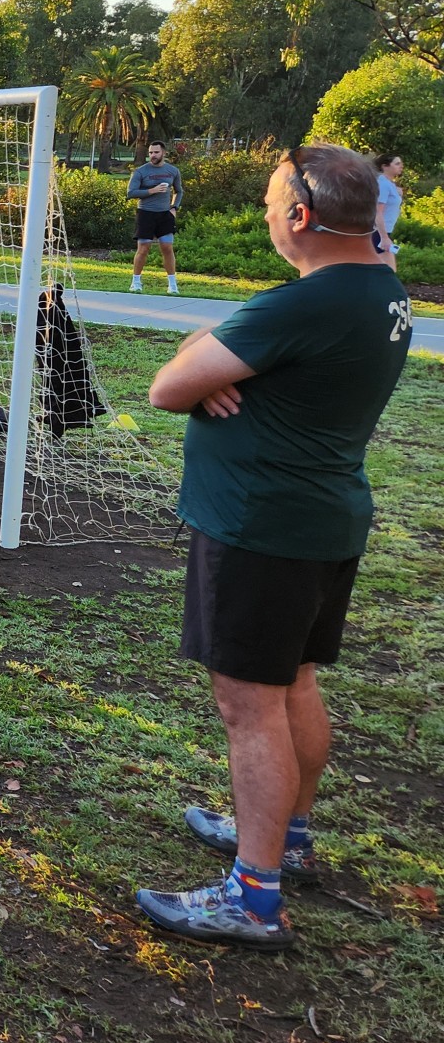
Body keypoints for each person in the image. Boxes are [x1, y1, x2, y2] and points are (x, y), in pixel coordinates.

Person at [134, 145, 412, 950]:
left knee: (248, 706)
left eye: (266, 203)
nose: (264, 216)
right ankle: (287, 837)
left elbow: (166, 387)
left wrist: (205, 361)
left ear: (300, 215)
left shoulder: (304, 305)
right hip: (323, 519)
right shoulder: (381, 287)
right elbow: (211, 358)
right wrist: (217, 353)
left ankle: (254, 897)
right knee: (294, 683)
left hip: (262, 526)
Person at [129, 140, 183, 295]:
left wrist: (174, 207)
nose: (153, 155)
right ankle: (136, 283)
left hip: (165, 214)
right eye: (151, 152)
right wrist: (152, 191)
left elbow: (179, 191)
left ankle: (172, 285)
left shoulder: (173, 171)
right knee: (143, 248)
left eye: (156, 152)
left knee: (167, 247)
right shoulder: (141, 171)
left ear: (163, 153)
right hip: (145, 213)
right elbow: (131, 193)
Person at [374, 153, 403, 270]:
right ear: (385, 166)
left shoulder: (389, 184)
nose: (401, 166)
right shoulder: (383, 184)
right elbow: (377, 212)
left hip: (384, 232)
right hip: (377, 233)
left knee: (385, 271)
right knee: (388, 271)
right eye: (397, 163)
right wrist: (384, 237)